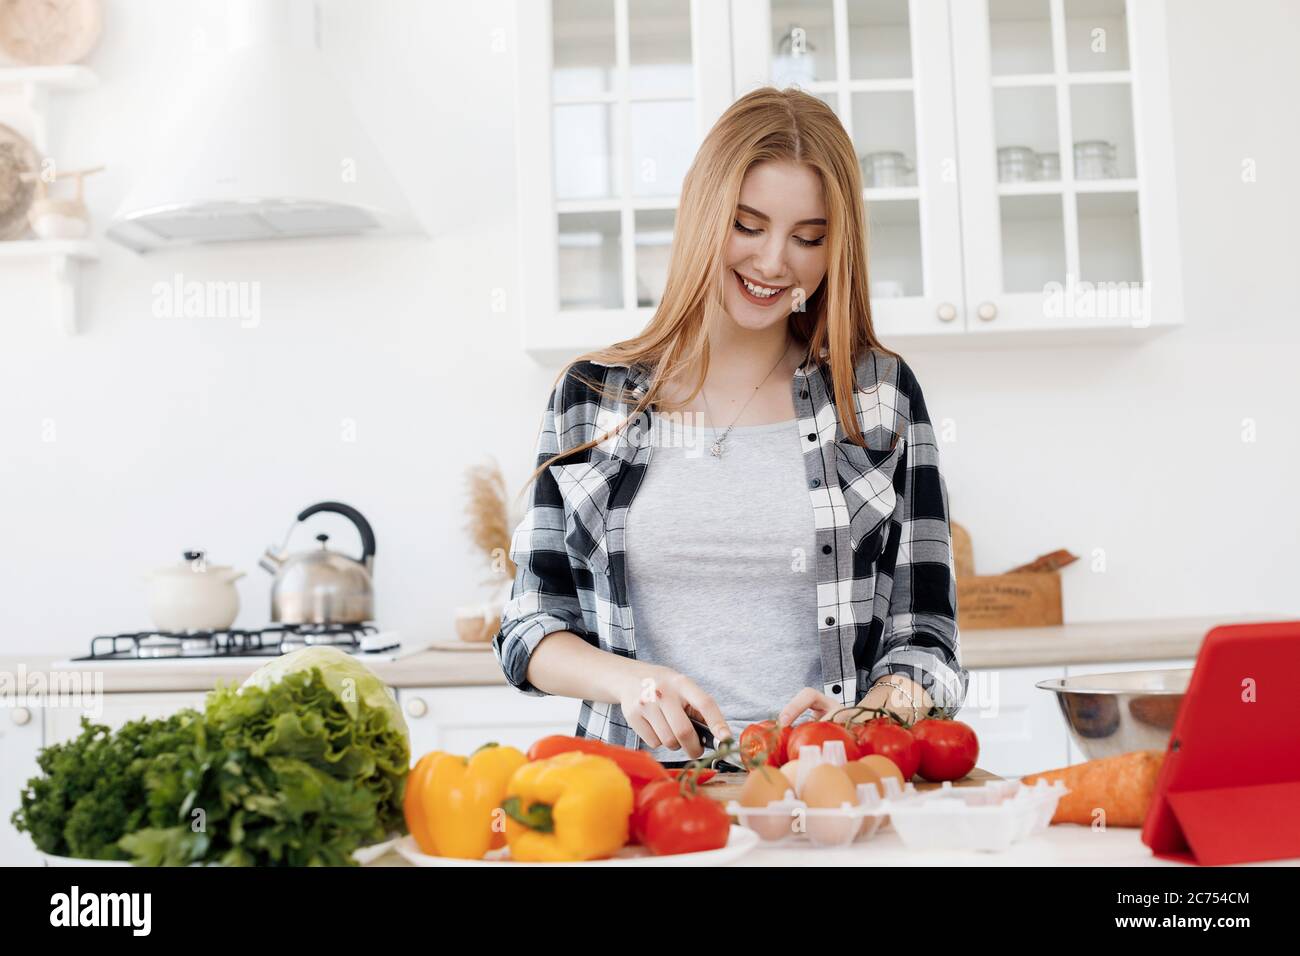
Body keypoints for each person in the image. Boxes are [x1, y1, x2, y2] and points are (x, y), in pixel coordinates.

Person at [494, 87, 968, 763]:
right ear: (701, 215)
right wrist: (630, 681)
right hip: (636, 796)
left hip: (820, 791)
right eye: (748, 227)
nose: (775, 262)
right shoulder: (592, 396)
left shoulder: (878, 397)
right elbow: (531, 625)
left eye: (809, 237)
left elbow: (927, 642)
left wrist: (863, 718)